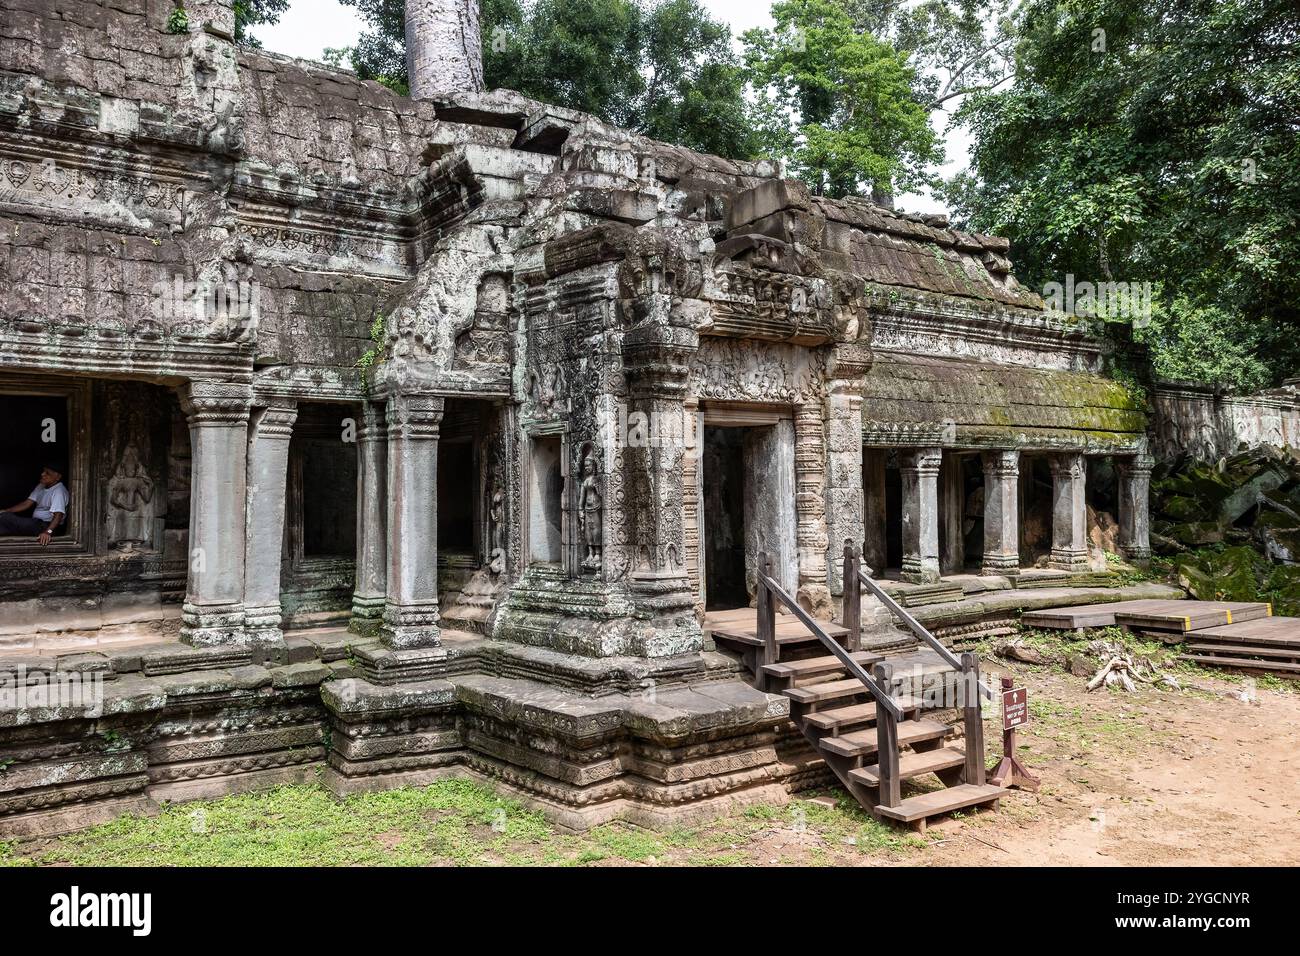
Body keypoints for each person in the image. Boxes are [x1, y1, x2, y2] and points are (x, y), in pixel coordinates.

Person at [0, 463, 70, 546]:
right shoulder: (42, 485)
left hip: (46, 526)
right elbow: (27, 503)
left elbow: (59, 515)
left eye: (47, 473)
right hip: (36, 524)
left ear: (58, 477)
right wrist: (5, 511)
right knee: (5, 517)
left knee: (7, 518)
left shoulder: (59, 491)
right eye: (43, 471)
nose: (42, 474)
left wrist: (48, 532)